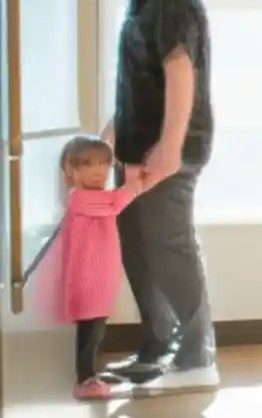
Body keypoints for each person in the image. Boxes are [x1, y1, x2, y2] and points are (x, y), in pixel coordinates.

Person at [93, 0, 220, 392]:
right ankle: (157, 346)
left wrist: (169, 147)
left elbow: (178, 70)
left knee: (169, 244)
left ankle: (196, 356)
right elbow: (140, 77)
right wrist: (111, 132)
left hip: (168, 149)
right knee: (137, 243)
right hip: (137, 143)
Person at [46, 137, 148, 400]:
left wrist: (136, 183)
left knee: (97, 327)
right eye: (88, 164)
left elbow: (114, 200)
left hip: (101, 276)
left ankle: (91, 373)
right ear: (71, 171)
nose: (99, 170)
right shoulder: (79, 199)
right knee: (90, 330)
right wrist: (138, 184)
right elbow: (115, 203)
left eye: (104, 163)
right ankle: (84, 380)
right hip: (87, 278)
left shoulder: (95, 197)